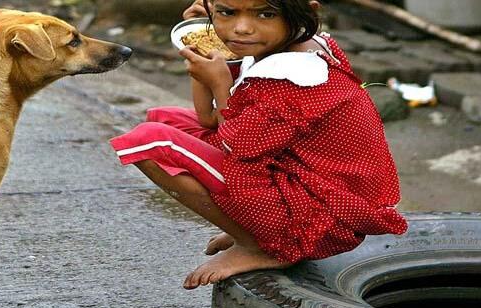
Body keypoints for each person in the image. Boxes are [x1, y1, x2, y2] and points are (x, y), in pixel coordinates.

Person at [110, 0, 408, 289]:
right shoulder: (294, 46)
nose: (241, 28)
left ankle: (261, 247)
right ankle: (257, 230)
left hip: (325, 216)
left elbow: (236, 146)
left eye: (264, 14)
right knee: (171, 120)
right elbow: (208, 118)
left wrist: (219, 84)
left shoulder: (295, 77)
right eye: (227, 12)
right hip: (299, 177)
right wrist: (200, 48)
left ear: (306, 11)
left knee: (150, 141)